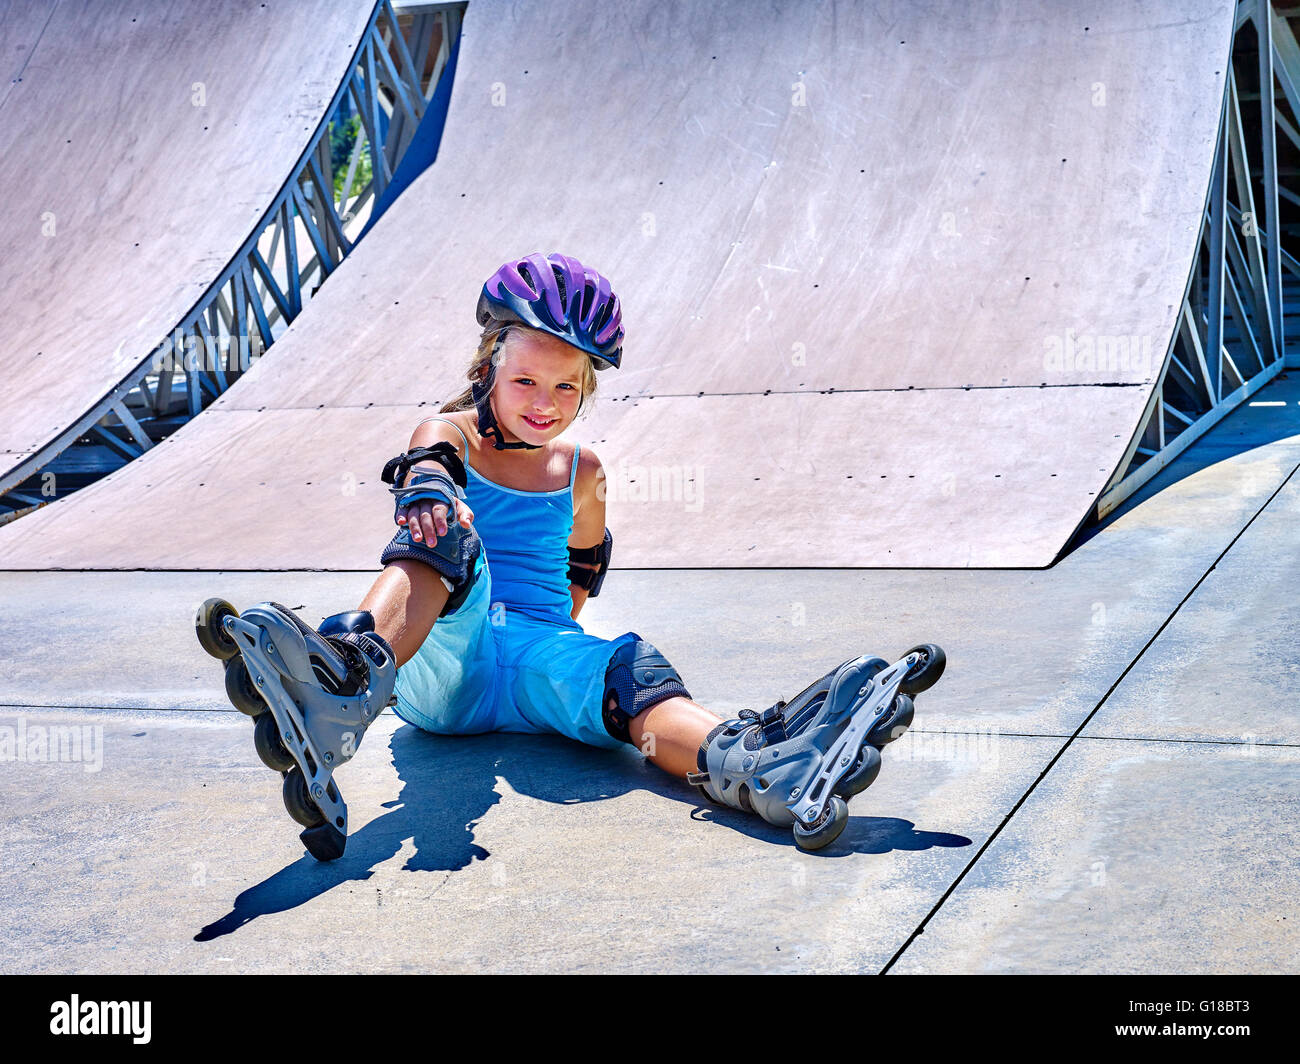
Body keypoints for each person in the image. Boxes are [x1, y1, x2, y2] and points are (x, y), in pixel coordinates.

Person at [203, 253, 944, 857]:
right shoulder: (450, 433)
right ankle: (349, 679)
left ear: (587, 387)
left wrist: (557, 649)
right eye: (525, 379)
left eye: (565, 385)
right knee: (444, 528)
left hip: (534, 666)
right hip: (443, 669)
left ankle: (758, 767)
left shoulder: (582, 473)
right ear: (488, 365)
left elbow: (580, 578)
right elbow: (427, 464)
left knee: (631, 669)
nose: (543, 400)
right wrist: (428, 490)